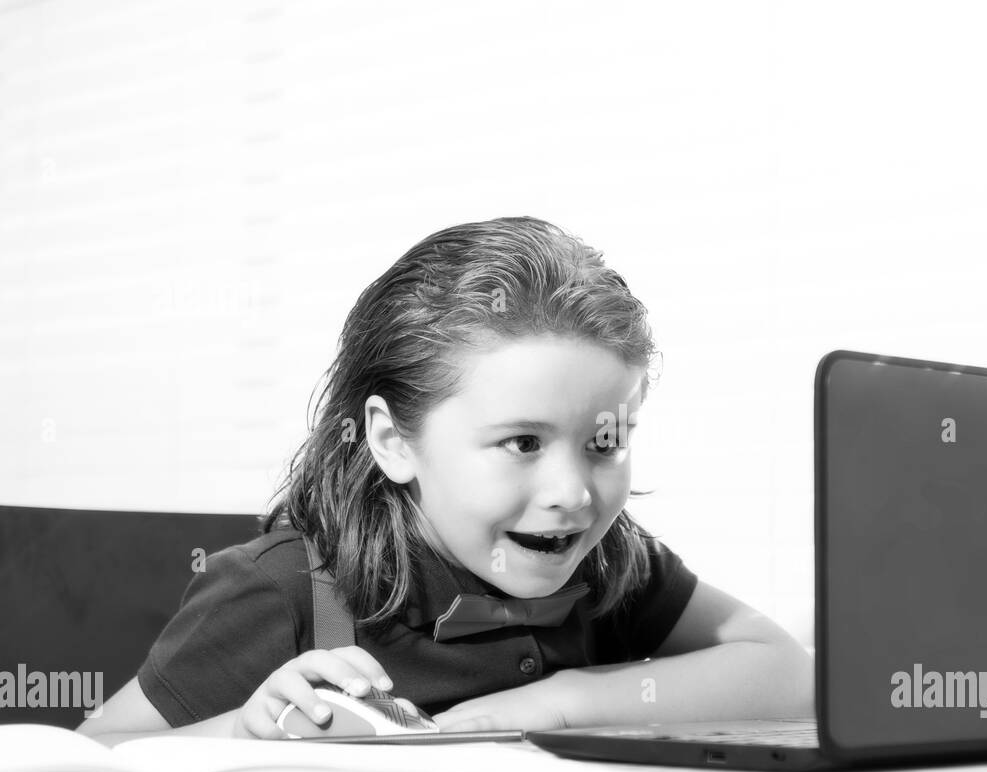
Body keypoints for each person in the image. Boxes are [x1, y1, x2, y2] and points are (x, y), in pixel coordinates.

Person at [79, 217, 813, 743]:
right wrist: (242, 731)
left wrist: (561, 701)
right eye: (522, 442)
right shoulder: (282, 590)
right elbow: (93, 753)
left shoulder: (607, 563)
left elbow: (789, 675)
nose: (574, 493)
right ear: (394, 440)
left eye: (603, 441)